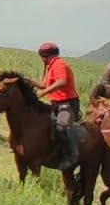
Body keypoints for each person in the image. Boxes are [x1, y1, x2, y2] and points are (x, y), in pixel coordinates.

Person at [31, 42, 80, 170]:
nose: (42, 60)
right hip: (55, 103)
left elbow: (61, 82)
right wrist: (29, 81)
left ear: (45, 56)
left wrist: (43, 93)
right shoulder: (51, 66)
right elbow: (44, 84)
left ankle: (71, 155)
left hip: (67, 103)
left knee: (61, 128)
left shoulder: (59, 64)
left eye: (42, 57)